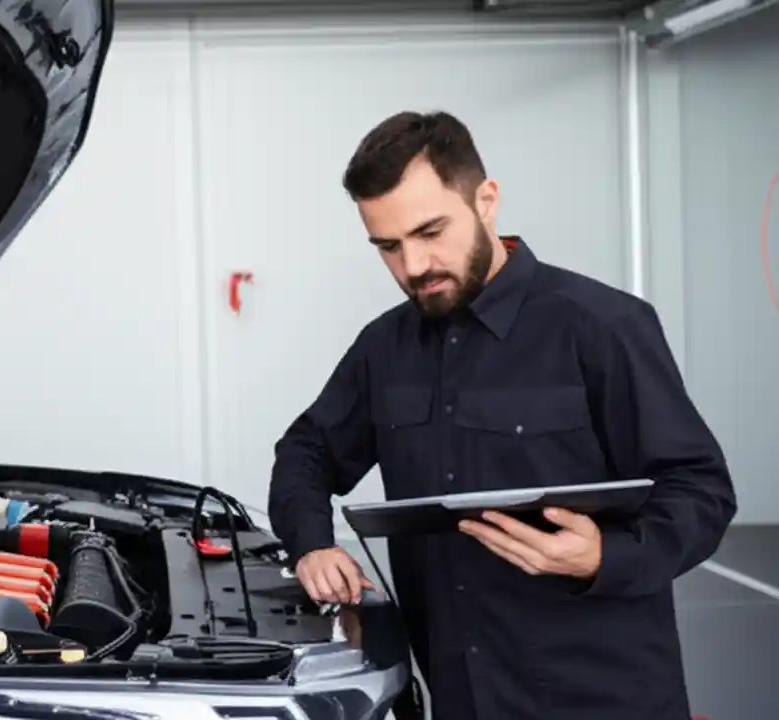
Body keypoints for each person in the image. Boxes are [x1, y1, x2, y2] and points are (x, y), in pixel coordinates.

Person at [267, 110, 736, 720]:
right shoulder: (383, 349)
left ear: (485, 200)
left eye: (430, 231)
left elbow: (701, 490)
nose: (412, 267)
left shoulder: (603, 327)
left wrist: (605, 557)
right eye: (388, 246)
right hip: (461, 697)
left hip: (603, 698)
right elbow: (307, 452)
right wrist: (311, 545)